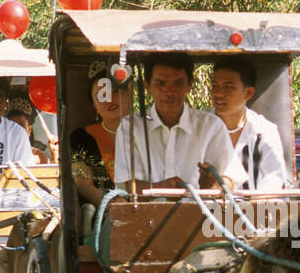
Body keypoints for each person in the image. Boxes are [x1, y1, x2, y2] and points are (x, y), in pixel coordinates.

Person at [114, 53, 244, 192]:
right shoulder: (131, 126)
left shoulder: (211, 126)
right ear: (147, 86)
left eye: (178, 83)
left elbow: (230, 182)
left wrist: (214, 184)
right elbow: (127, 184)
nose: (169, 91)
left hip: (200, 212)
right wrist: (163, 188)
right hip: (146, 213)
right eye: (161, 83)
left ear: (190, 85)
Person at [209, 57, 288, 191]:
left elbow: (274, 181)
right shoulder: (199, 126)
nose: (218, 93)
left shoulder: (264, 131)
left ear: (249, 93)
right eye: (215, 85)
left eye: (228, 87)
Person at [70, 65, 127, 205]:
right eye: (102, 95)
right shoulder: (81, 138)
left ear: (128, 94)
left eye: (115, 92)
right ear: (94, 105)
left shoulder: (146, 131)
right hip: (104, 215)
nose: (109, 99)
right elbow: (83, 184)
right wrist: (112, 207)